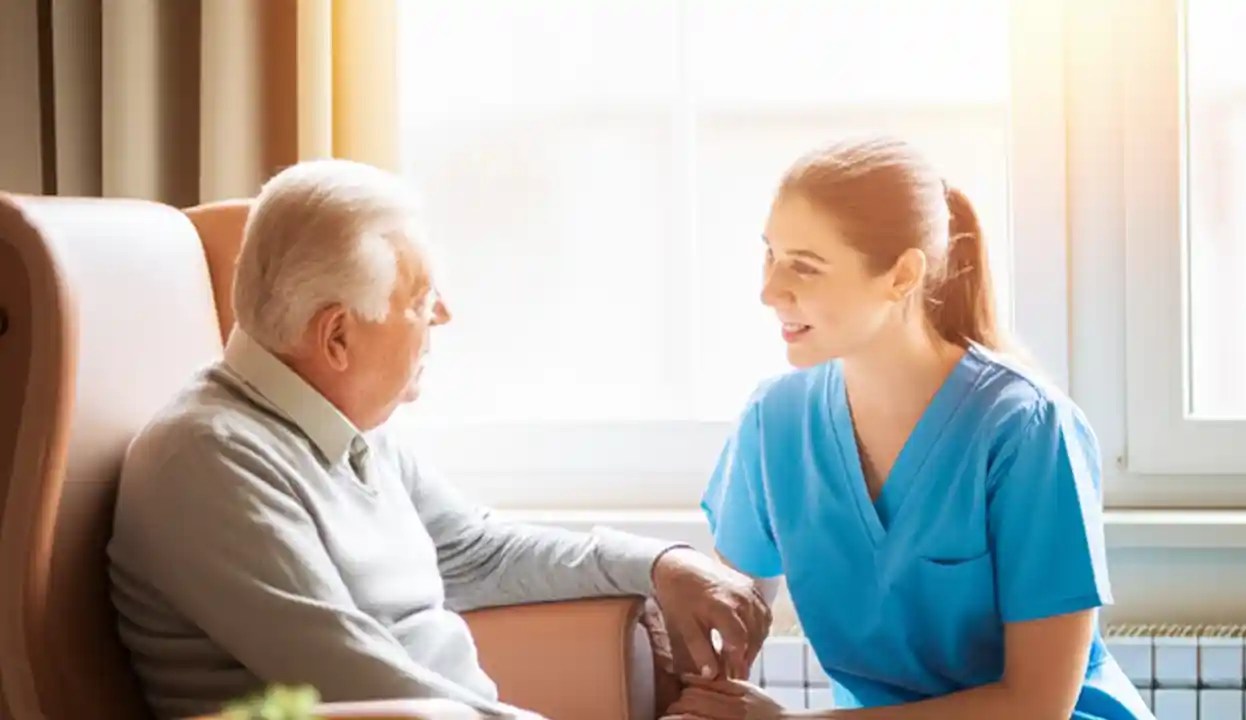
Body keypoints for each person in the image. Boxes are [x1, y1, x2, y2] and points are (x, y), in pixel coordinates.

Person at [107, 159, 770, 720]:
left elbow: (474, 552)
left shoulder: (343, 427)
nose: (443, 315)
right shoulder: (207, 461)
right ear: (337, 336)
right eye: (421, 300)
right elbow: (362, 683)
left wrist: (658, 565)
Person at [664, 137, 1153, 719]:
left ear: (901, 276)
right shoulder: (774, 424)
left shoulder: (1026, 432)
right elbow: (727, 620)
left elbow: (1036, 706)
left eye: (805, 265)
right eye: (770, 255)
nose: (769, 290)